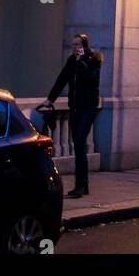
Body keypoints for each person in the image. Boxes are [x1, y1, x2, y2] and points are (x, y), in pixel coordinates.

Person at [44, 33, 102, 198]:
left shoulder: (93, 59)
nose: (75, 48)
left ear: (84, 45)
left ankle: (80, 186)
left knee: (79, 142)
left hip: (88, 107)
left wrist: (82, 63)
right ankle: (82, 185)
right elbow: (61, 79)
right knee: (78, 145)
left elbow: (93, 79)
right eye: (73, 45)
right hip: (75, 108)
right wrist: (50, 99)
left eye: (78, 45)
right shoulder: (71, 61)